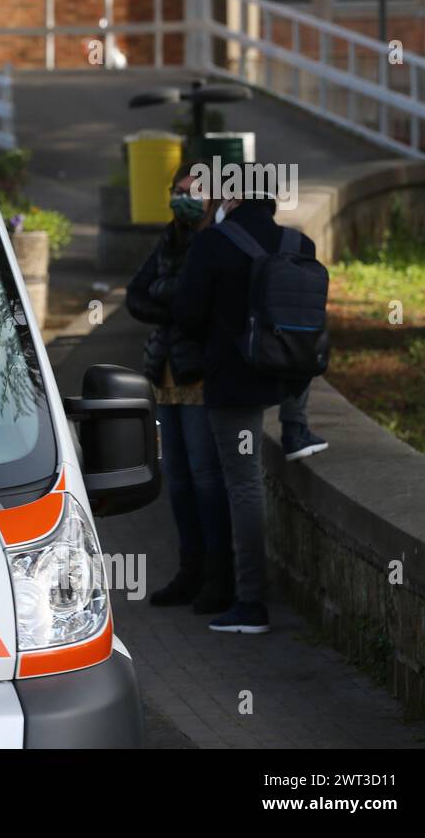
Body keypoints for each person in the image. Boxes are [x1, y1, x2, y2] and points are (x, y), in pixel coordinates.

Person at [173, 190, 320, 634]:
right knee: (247, 485)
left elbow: (188, 316)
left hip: (233, 381)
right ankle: (297, 431)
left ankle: (250, 602)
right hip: (289, 374)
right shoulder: (300, 245)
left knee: (244, 485)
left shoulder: (212, 242)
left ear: (233, 198)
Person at [126, 164, 235, 614]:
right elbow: (135, 296)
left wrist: (168, 297)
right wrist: (176, 301)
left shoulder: (215, 242)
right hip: (163, 375)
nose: (184, 198)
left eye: (194, 191)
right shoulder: (169, 238)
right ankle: (189, 571)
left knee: (208, 479)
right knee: (179, 479)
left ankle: (218, 577)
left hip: (198, 377)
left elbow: (200, 306)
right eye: (178, 190)